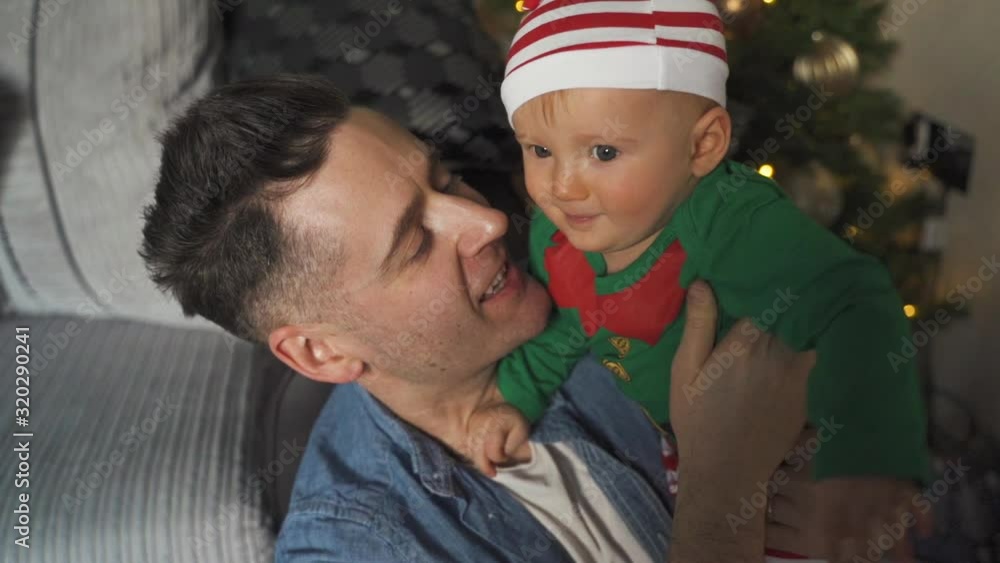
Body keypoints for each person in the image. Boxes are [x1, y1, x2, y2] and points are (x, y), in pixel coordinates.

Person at [139, 75, 835, 562]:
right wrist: (723, 491)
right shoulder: (358, 546)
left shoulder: (588, 264)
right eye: (415, 242)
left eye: (442, 178)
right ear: (321, 354)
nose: (488, 218)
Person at [463, 2, 930, 558]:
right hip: (690, 452)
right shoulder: (554, 234)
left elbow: (857, 303)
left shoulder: (730, 217)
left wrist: (865, 463)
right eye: (540, 150)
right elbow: (575, 324)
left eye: (604, 152)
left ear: (703, 145)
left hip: (805, 455)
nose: (562, 186)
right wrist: (515, 395)